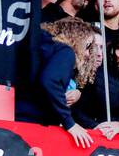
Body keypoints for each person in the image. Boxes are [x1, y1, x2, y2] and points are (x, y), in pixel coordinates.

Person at [15, 17, 98, 147]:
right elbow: (50, 81)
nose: (88, 54)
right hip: (34, 122)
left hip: (15, 113)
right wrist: (69, 123)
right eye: (87, 46)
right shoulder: (66, 52)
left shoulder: (42, 48)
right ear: (76, 39)